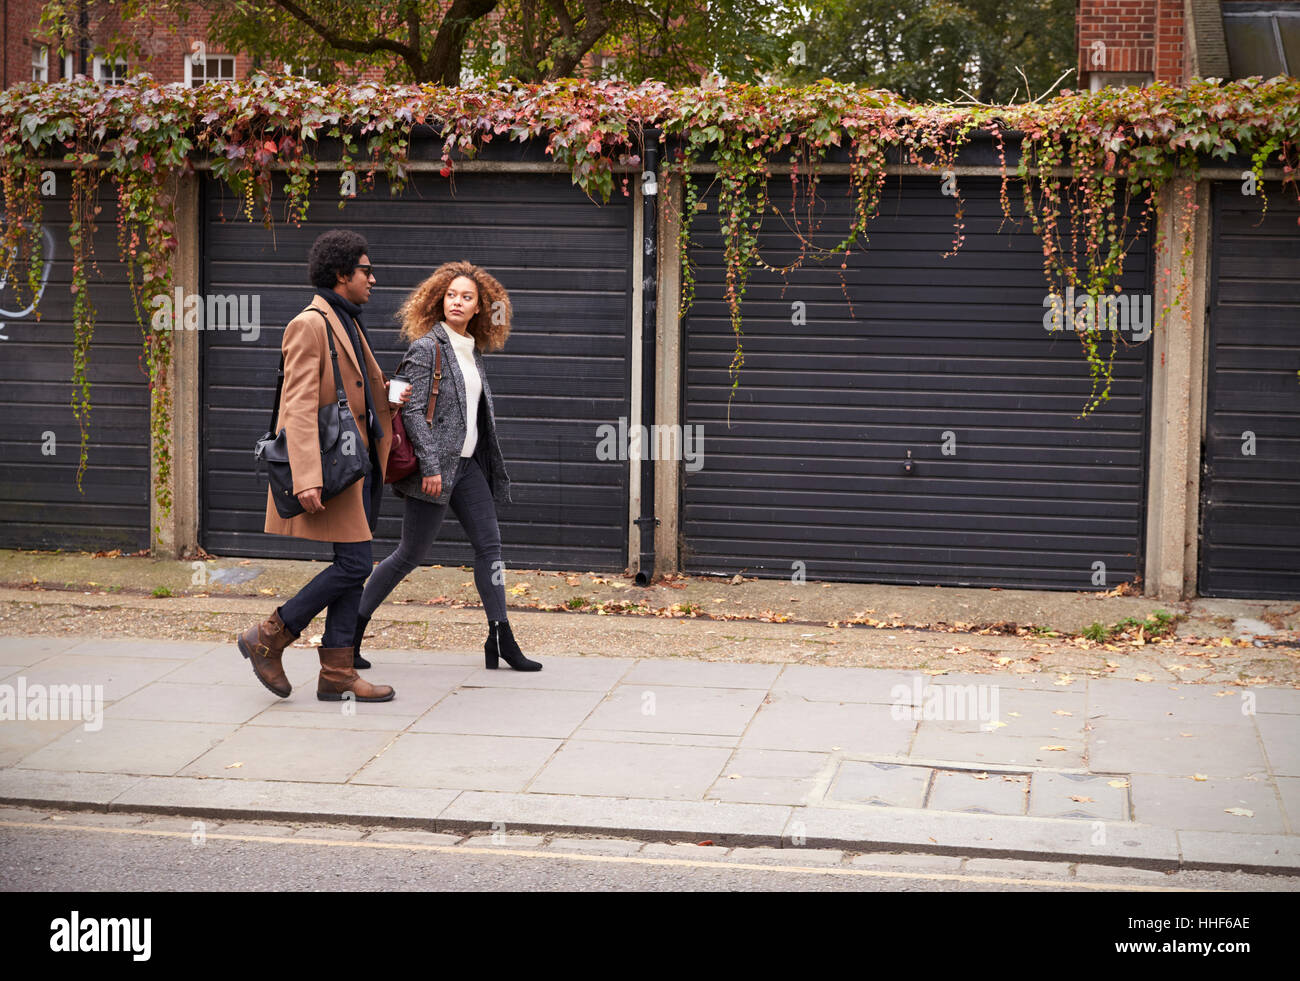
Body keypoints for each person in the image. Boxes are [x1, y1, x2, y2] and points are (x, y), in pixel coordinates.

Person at [236, 229, 407, 701]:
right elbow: (299, 404)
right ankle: (269, 635)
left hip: (360, 464)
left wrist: (387, 397)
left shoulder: (347, 319)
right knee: (355, 563)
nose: (373, 279)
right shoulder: (310, 324)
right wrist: (307, 476)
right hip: (333, 468)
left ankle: (337, 673)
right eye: (366, 270)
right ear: (342, 274)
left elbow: (351, 386)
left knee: (353, 562)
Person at [352, 260, 541, 672]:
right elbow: (414, 411)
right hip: (435, 469)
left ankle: (499, 636)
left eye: (467, 297)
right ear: (441, 301)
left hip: (468, 467)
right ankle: (350, 632)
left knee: (490, 548)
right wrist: (431, 465)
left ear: (479, 308)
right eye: (452, 295)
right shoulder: (427, 348)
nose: (458, 302)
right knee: (409, 554)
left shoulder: (471, 350)